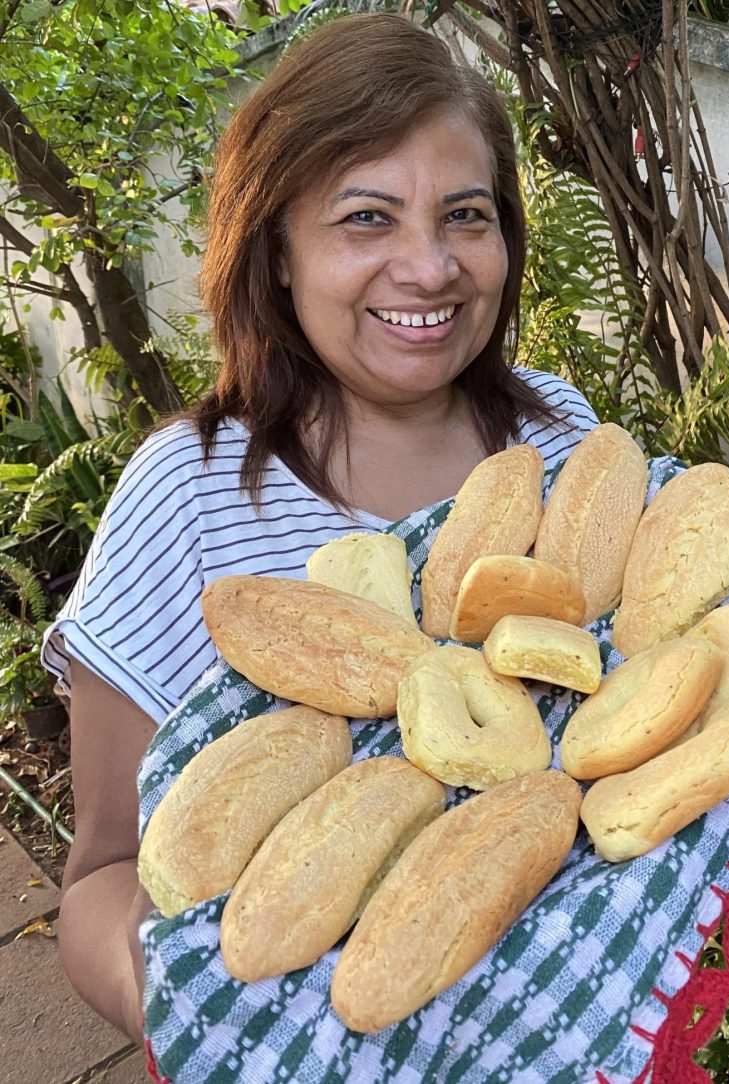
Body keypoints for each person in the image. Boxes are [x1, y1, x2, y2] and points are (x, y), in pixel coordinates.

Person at [42, 12, 599, 1042]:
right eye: (367, 219)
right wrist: (203, 1027)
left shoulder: (563, 442)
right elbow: (104, 875)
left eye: (466, 215)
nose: (430, 269)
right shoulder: (191, 496)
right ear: (279, 250)